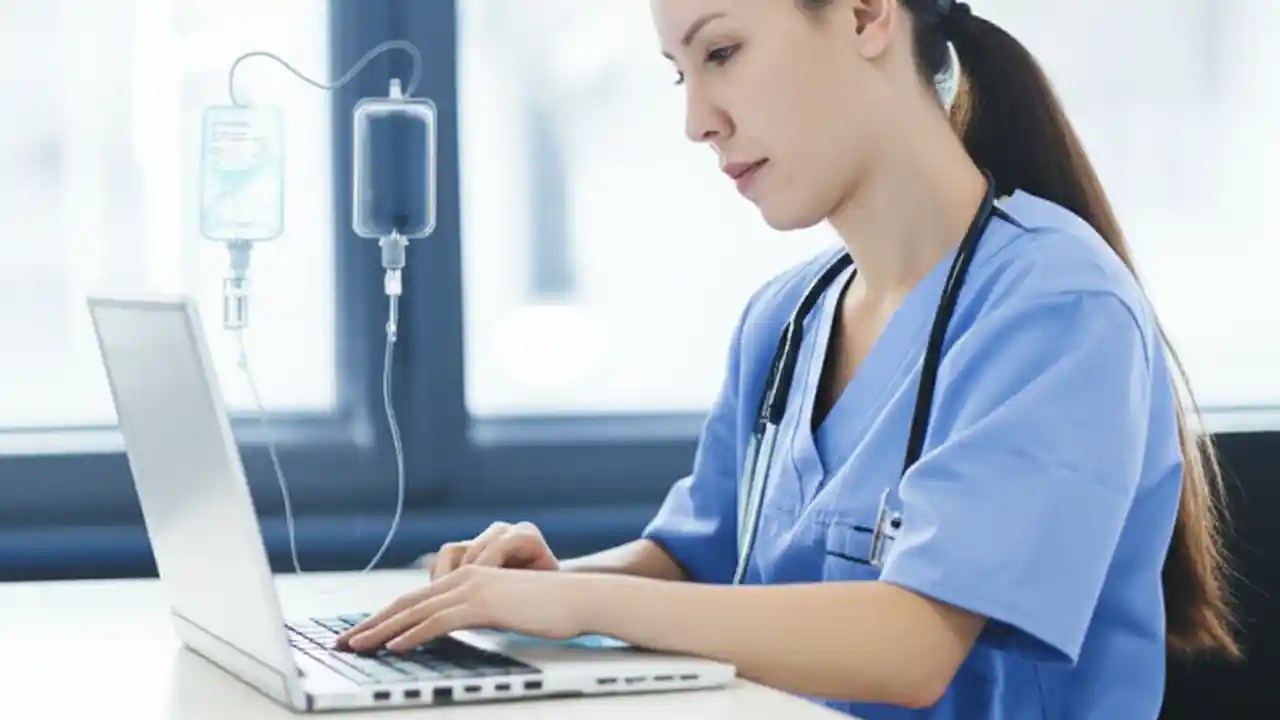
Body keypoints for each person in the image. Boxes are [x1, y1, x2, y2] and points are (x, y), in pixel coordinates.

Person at [336, 0, 1240, 716]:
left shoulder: (1056, 305)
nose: (697, 120)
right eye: (677, 73)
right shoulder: (787, 320)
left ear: (863, 14)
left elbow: (911, 648)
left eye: (721, 53)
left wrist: (580, 611)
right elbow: (698, 561)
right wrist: (541, 587)